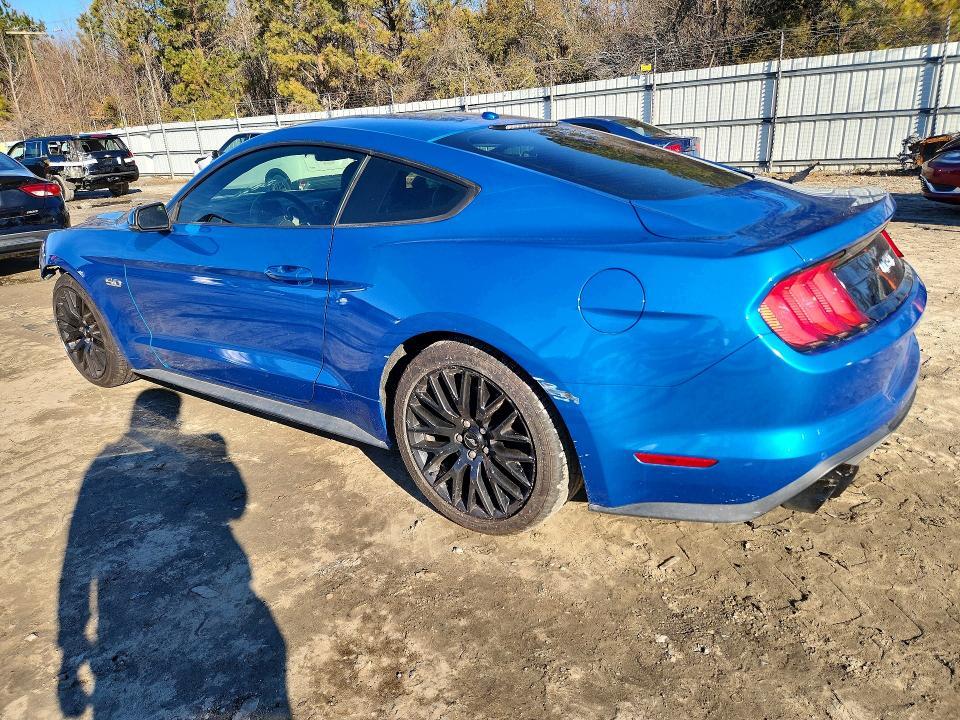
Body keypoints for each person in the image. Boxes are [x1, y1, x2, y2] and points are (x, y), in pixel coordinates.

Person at [57, 388, 289, 719]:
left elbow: (75, 560)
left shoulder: (104, 461)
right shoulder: (111, 462)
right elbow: (235, 511)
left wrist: (71, 644)